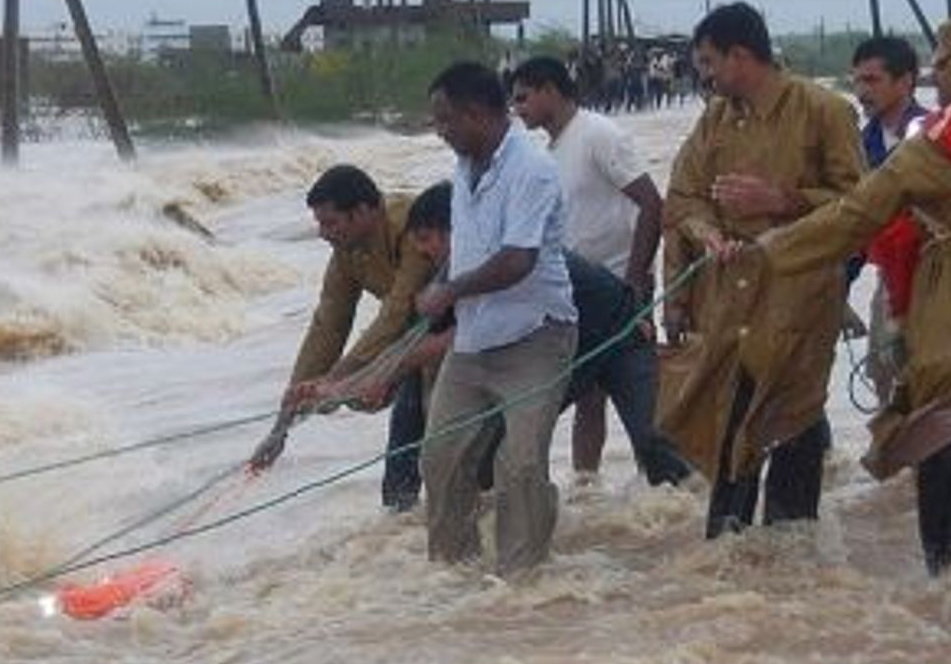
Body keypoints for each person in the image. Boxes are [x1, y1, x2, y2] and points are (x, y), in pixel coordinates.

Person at [748, 17, 951, 576]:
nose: (934, 72)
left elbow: (856, 214)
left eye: (943, 61)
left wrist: (775, 248)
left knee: (936, 439)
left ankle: (949, 577)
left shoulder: (937, 149)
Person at [658, 1, 865, 538]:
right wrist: (707, 236)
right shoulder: (715, 118)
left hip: (800, 297)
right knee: (727, 421)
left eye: (707, 63)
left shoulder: (824, 110)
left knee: (792, 421)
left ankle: (789, 565)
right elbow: (681, 199)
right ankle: (729, 557)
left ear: (741, 56)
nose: (702, 75)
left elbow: (862, 207)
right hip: (726, 296)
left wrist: (783, 199)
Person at [353, 182, 689, 489]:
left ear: (458, 230)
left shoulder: (508, 257)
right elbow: (425, 342)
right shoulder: (454, 272)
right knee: (486, 454)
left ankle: (691, 534)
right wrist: (370, 379)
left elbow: (452, 341)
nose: (424, 251)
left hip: (620, 337)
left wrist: (380, 375)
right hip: (563, 355)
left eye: (427, 239)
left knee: (655, 446)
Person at [414, 61, 578, 575]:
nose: (440, 132)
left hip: (536, 336)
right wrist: (441, 282)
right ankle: (452, 575)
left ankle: (522, 585)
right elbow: (467, 246)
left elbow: (517, 259)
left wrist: (450, 291)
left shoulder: (532, 168)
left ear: (479, 113)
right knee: (439, 457)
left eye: (446, 121)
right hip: (475, 337)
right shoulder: (464, 169)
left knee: (521, 464)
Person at [510, 55, 665, 481]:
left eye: (523, 98)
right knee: (587, 398)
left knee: (641, 401)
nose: (518, 109)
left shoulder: (598, 134)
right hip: (577, 296)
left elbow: (652, 204)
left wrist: (634, 282)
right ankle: (587, 488)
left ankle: (667, 493)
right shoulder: (551, 151)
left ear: (550, 90)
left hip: (619, 289)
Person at [249, 164, 438, 511]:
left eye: (330, 223)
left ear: (365, 211)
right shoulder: (347, 251)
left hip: (463, 334)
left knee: (445, 447)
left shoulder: (410, 225)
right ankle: (403, 541)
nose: (323, 234)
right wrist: (281, 427)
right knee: (400, 467)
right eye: (319, 224)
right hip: (413, 343)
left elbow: (396, 312)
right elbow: (327, 327)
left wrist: (338, 380)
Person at [848, 34, 931, 397]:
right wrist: (837, 290)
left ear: (906, 81)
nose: (862, 91)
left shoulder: (937, 135)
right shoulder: (857, 147)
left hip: (940, 274)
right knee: (885, 379)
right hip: (889, 279)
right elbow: (850, 224)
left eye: (872, 80)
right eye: (857, 81)